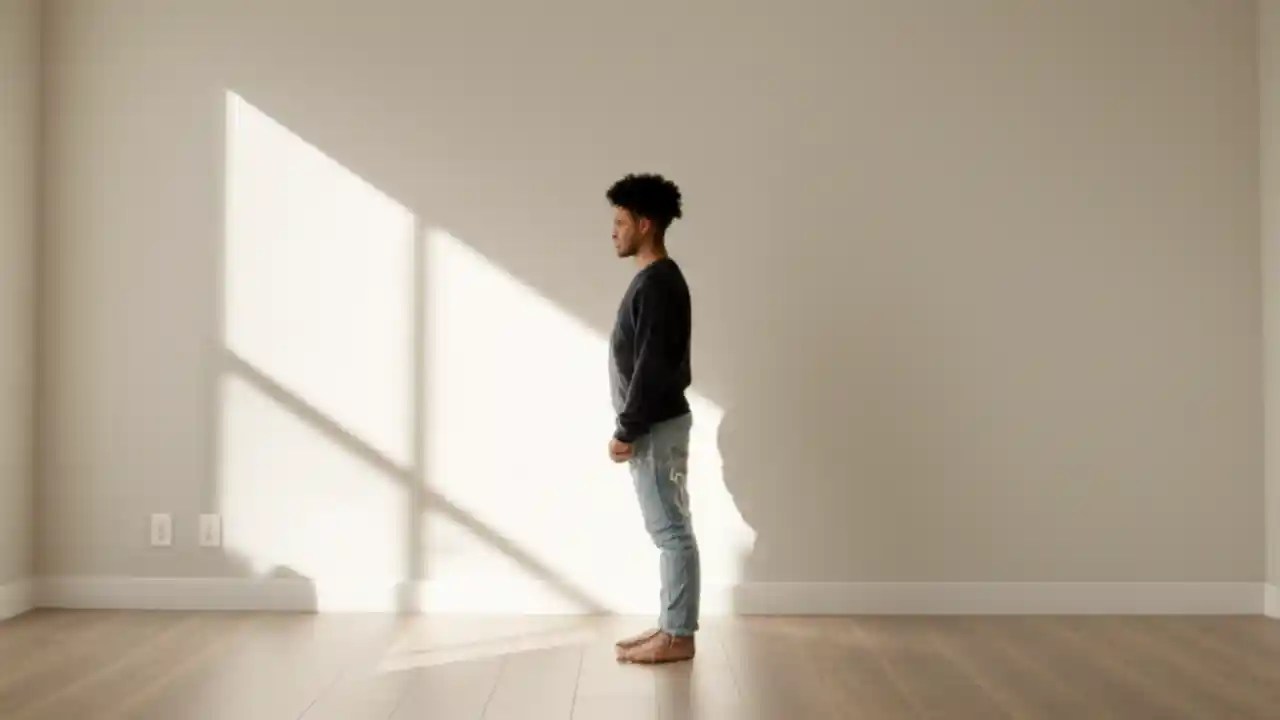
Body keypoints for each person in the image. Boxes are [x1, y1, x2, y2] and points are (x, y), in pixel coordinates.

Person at [605, 173, 699, 664]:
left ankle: (678, 635)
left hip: (656, 426)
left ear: (645, 224)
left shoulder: (659, 283)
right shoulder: (655, 281)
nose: (614, 231)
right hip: (657, 424)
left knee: (671, 531)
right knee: (668, 527)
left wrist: (627, 429)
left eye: (621, 222)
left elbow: (652, 365)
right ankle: (670, 624)